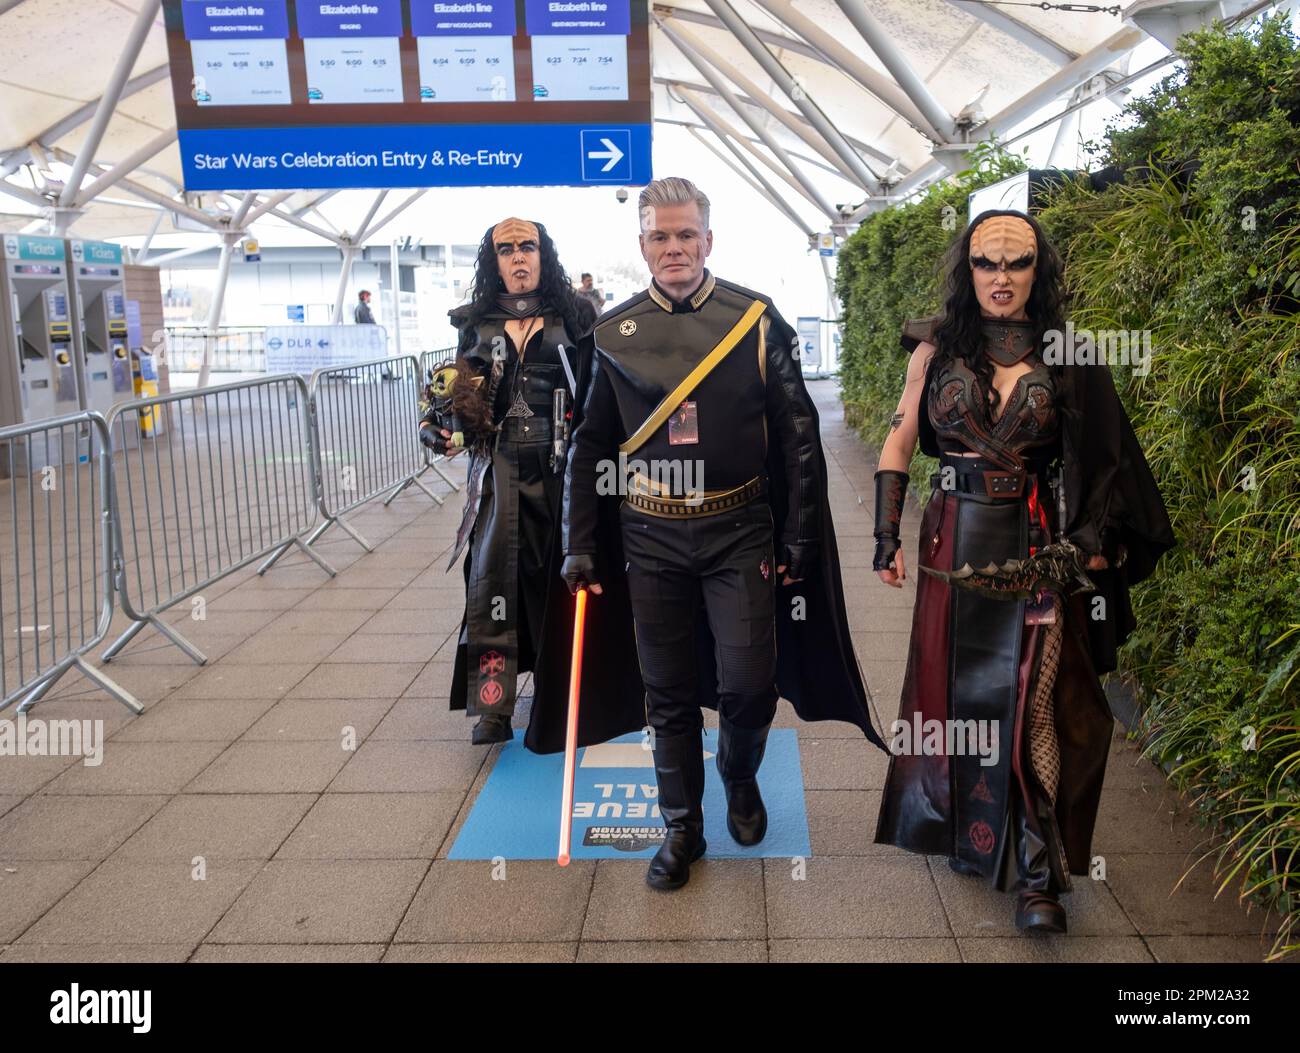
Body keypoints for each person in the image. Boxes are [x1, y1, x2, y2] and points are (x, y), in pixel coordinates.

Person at [561, 177, 884, 891]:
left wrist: (800, 534)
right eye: (659, 236)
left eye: (685, 235)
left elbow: (800, 437)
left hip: (741, 529)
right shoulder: (611, 332)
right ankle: (682, 826)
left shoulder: (756, 320)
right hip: (649, 534)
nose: (673, 248)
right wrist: (576, 540)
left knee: (748, 681)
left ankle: (739, 773)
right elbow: (588, 446)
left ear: (708, 240)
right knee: (666, 689)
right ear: (641, 243)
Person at [872, 210, 1174, 933]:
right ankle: (974, 831)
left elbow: (1103, 459)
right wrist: (885, 534)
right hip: (953, 542)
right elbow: (901, 437)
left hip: (1037, 546)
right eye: (986, 263)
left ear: (1039, 270)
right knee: (962, 696)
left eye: (1016, 262)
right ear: (966, 270)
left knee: (1033, 696)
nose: (1000, 277)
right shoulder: (933, 349)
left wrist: (1090, 542)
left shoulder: (1070, 352)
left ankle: (1038, 872)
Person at [427, 217, 642, 748]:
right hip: (498, 467)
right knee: (491, 583)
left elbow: (602, 388)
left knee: (565, 578)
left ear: (544, 255)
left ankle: (562, 696)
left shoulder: (576, 316)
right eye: (507, 249)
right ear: (493, 260)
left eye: (528, 246)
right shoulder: (474, 323)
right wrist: (442, 426)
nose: (519, 257)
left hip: (565, 466)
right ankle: (494, 708)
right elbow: (451, 395)